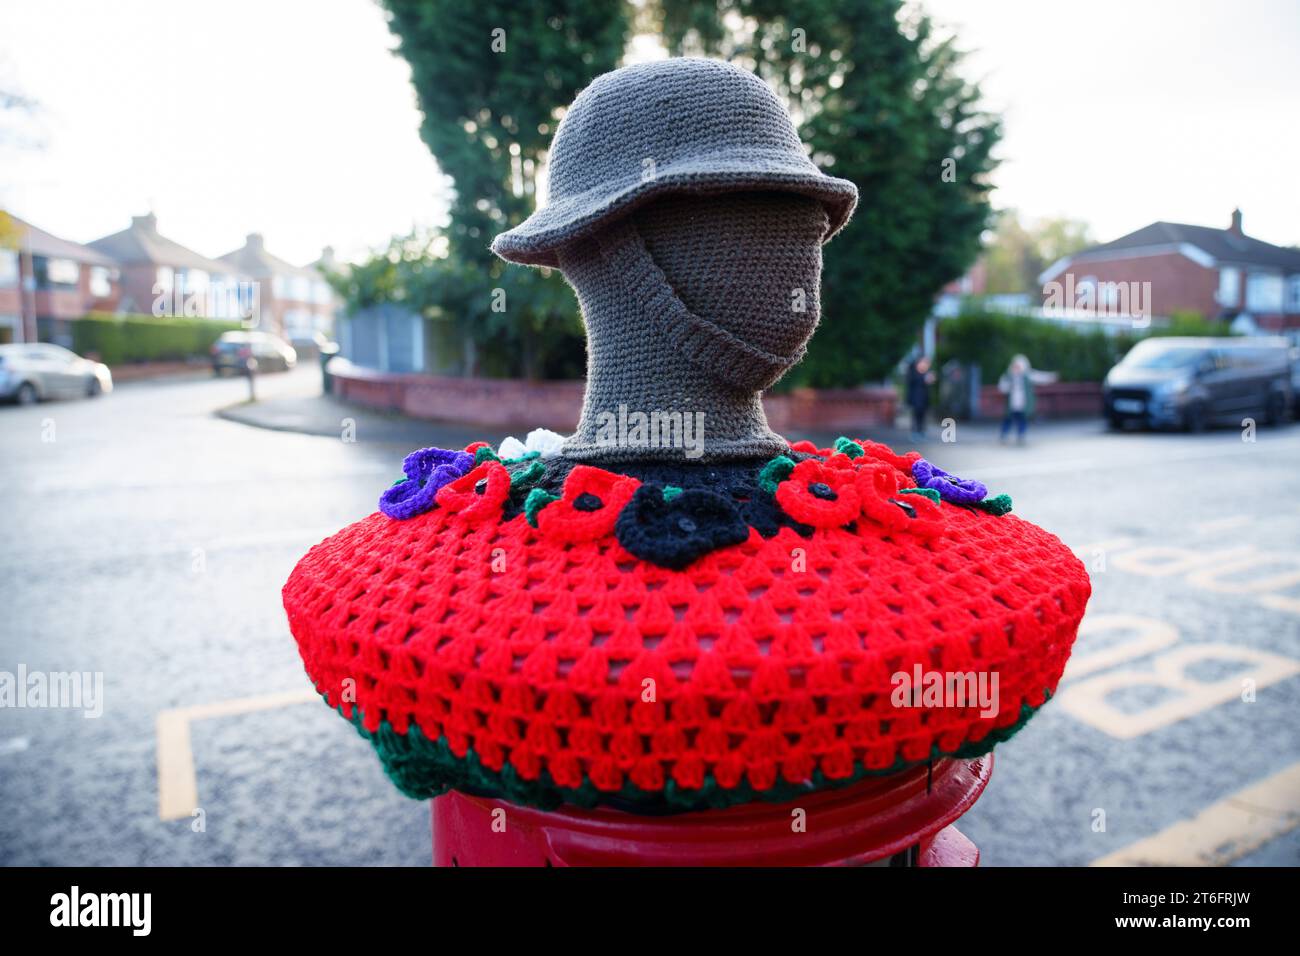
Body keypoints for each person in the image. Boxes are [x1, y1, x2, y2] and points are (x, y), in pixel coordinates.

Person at [999, 354, 1057, 444]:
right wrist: (1008, 385)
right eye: (1015, 366)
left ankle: (1021, 435)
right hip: (1012, 405)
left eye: (1019, 367)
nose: (1017, 369)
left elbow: (1040, 377)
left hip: (1022, 404)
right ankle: (1004, 435)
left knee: (1022, 420)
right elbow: (1002, 388)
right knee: (1008, 419)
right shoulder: (1008, 376)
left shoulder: (1027, 376)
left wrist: (1050, 377)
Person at [906, 354, 936, 441]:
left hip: (924, 399)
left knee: (923, 416)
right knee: (916, 416)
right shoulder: (914, 373)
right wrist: (925, 379)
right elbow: (913, 382)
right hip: (916, 399)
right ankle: (914, 433)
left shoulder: (926, 374)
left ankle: (921, 432)